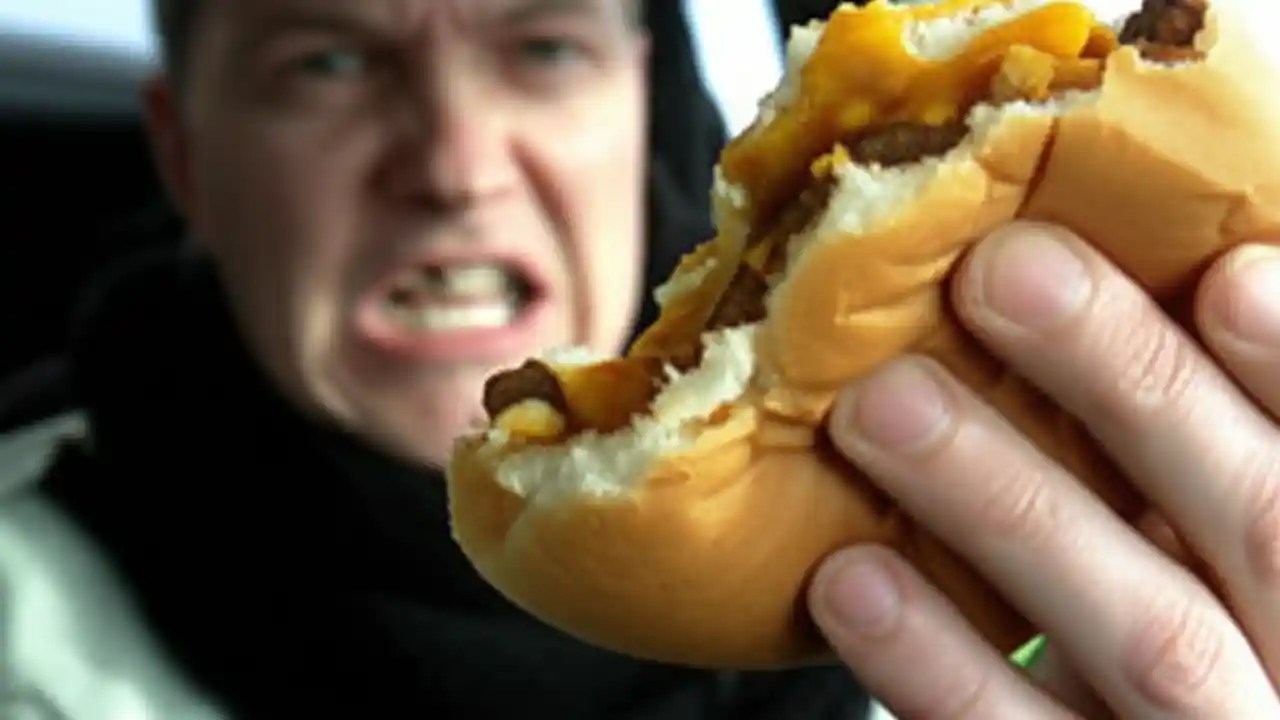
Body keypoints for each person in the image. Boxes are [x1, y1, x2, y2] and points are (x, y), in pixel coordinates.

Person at [4, 1, 1280, 719]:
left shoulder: (1047, 626)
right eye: (328, 62)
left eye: (541, 47)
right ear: (184, 157)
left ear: (643, 100)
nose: (454, 166)